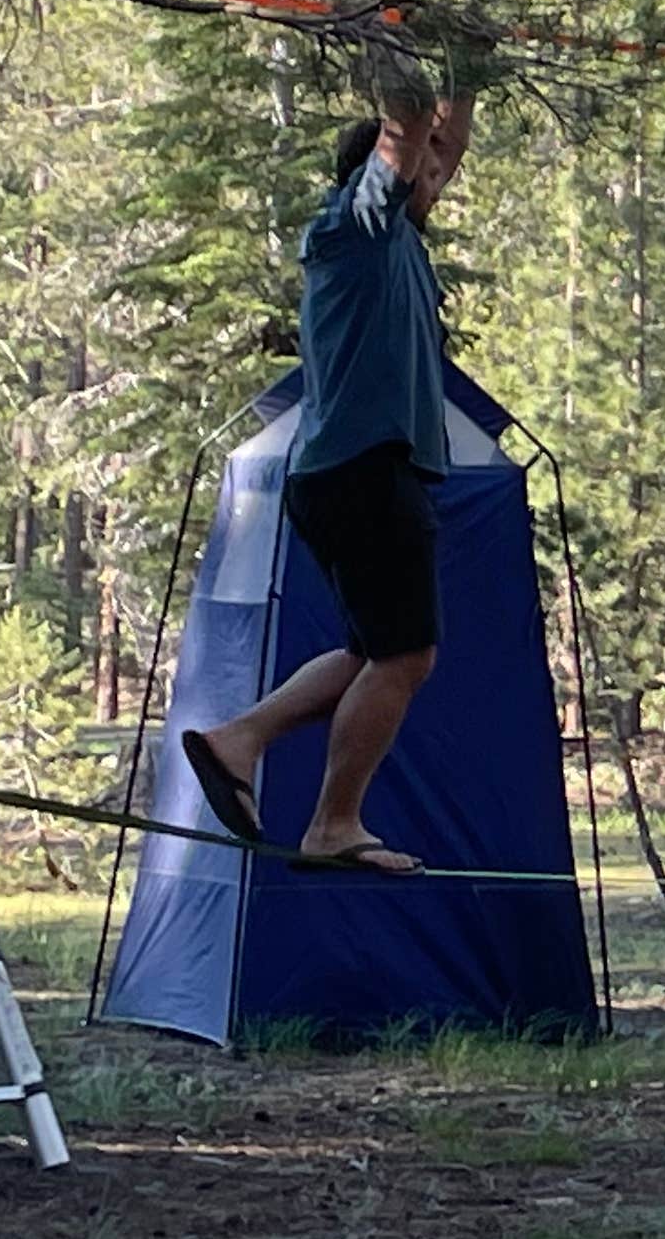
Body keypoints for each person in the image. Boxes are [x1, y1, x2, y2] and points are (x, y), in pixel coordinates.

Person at [179, 90, 472, 876]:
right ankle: (333, 824)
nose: (438, 181)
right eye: (426, 169)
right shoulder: (358, 226)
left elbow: (443, 141)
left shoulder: (395, 236)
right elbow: (407, 130)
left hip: (349, 474)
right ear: (388, 167)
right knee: (406, 658)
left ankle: (237, 740)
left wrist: (466, 71)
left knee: (372, 650)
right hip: (366, 469)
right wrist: (397, 61)